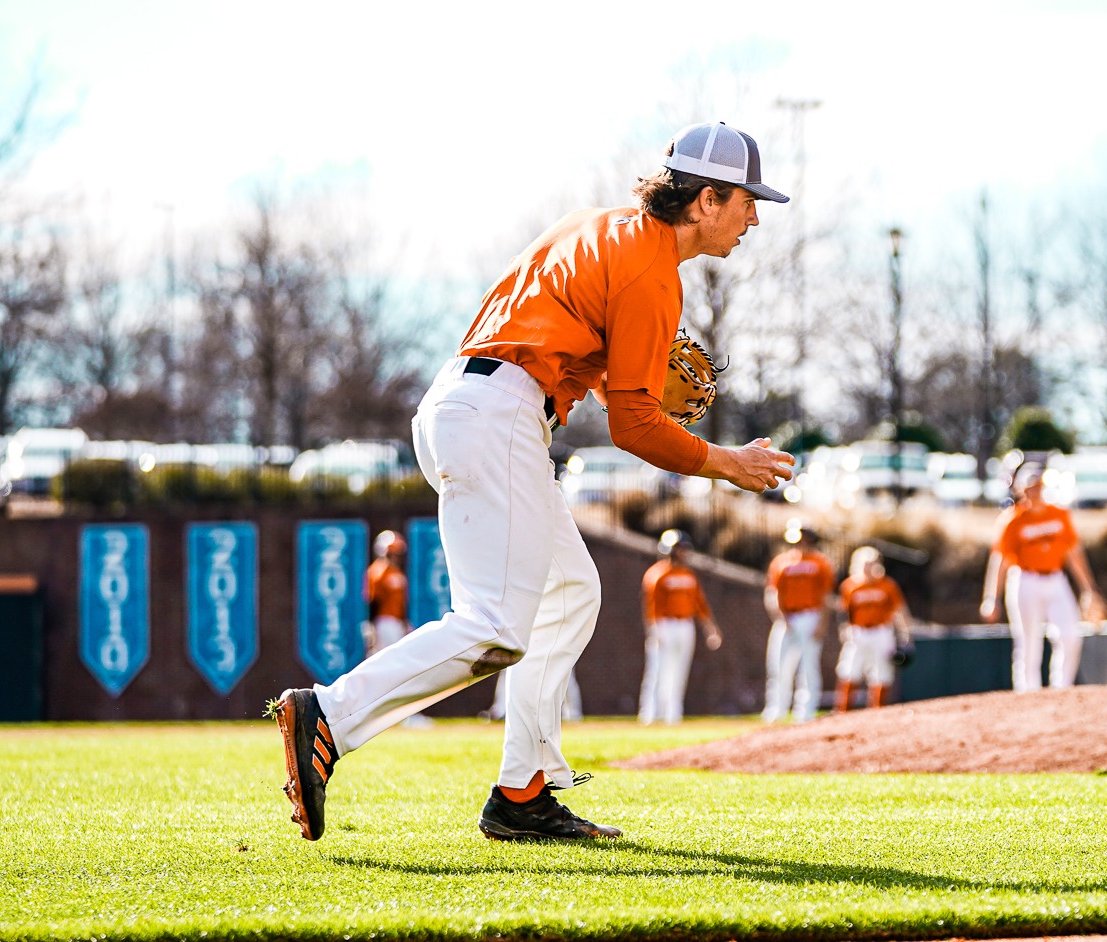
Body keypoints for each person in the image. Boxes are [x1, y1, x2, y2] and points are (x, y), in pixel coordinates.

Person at [266, 120, 794, 843]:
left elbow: (556, 335)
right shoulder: (651, 273)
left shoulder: (594, 226)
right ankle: (329, 713)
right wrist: (727, 463)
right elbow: (635, 427)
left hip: (465, 399)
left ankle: (522, 791)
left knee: (571, 592)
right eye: (746, 201)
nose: (753, 218)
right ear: (706, 199)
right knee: (493, 627)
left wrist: (614, 375)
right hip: (501, 414)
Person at [979, 463, 1107, 691]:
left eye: (1039, 485)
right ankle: (1028, 694)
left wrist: (1089, 588)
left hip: (1056, 579)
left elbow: (1074, 554)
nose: (1036, 491)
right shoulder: (1012, 520)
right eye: (1031, 486)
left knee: (1070, 635)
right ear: (1021, 489)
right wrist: (992, 598)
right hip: (1025, 580)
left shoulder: (1059, 514)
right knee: (1028, 642)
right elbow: (1000, 560)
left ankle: (1062, 689)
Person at [637, 529, 722, 725]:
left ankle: (673, 714)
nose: (683, 552)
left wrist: (710, 627)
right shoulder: (657, 574)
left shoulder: (689, 575)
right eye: (679, 548)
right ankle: (650, 713)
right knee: (657, 669)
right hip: (665, 624)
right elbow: (651, 606)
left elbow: (699, 604)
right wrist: (654, 630)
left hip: (685, 624)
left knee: (680, 671)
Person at [763, 526, 835, 724]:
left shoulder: (820, 562)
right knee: (778, 665)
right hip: (787, 618)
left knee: (808, 666)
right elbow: (772, 592)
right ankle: (776, 709)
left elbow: (826, 596)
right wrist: (780, 616)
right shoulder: (781, 561)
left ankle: (806, 711)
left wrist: (822, 624)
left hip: (810, 616)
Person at [833, 546, 911, 712]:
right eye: (865, 564)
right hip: (858, 632)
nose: (869, 568)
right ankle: (843, 710)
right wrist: (844, 629)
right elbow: (843, 612)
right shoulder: (850, 586)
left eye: (872, 563)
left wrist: (905, 634)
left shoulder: (887, 585)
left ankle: (877, 710)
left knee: (882, 671)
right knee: (849, 669)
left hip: (881, 631)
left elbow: (899, 610)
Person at [361, 530, 409, 657]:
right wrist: (371, 625)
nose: (395, 557)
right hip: (383, 621)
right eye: (392, 553)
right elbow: (372, 601)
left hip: (397, 621)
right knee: (386, 656)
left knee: (399, 656)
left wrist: (404, 622)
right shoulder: (377, 572)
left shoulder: (397, 572)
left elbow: (401, 602)